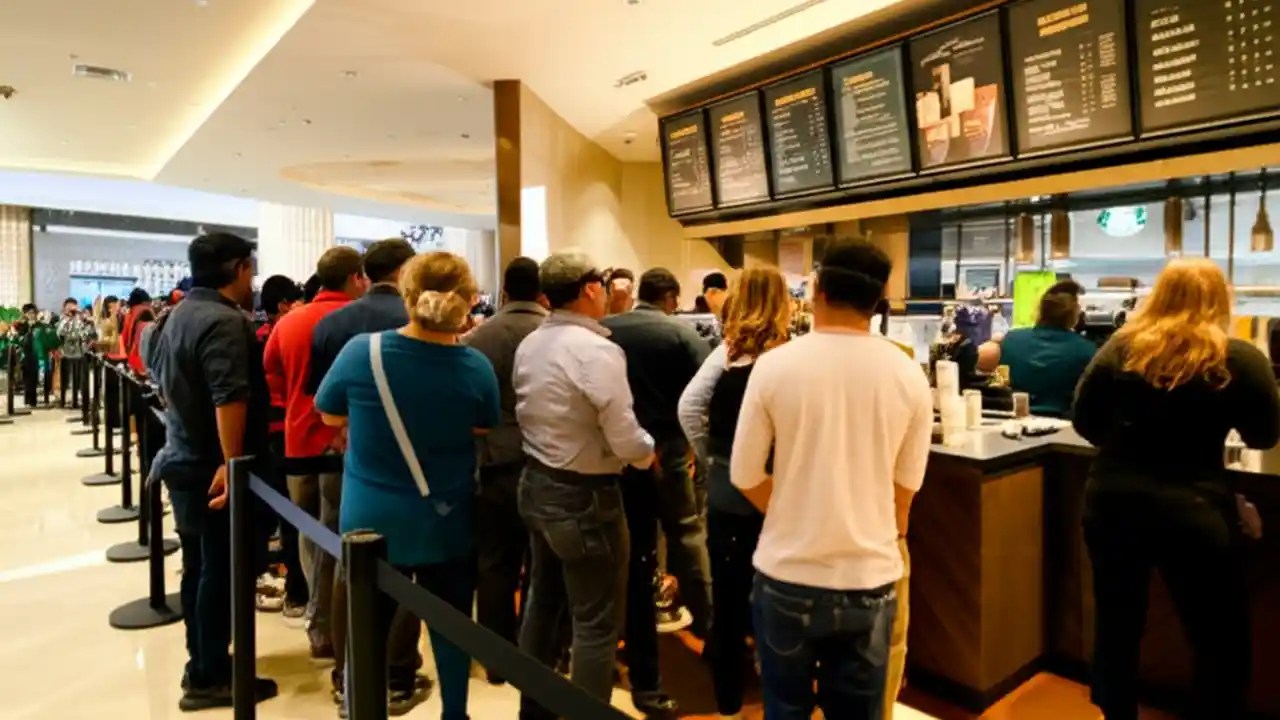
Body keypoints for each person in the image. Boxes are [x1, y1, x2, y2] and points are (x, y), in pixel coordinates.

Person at [731, 240, 932, 720]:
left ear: (816, 289)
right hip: (871, 578)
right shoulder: (908, 374)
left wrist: (792, 511)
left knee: (785, 709)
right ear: (878, 301)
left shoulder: (774, 366)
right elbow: (905, 494)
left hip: (785, 576)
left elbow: (744, 473)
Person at [1072, 258, 1280, 720]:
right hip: (1195, 507)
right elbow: (1264, 436)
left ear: (1159, 297)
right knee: (1217, 634)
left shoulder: (1120, 349)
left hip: (1113, 502)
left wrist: (1130, 442)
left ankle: (1117, 715)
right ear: (1221, 301)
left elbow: (1084, 419)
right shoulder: (1240, 357)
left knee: (1117, 623)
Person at [316, 251, 498, 720]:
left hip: (370, 520)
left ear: (406, 293)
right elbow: (482, 427)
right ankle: (454, 712)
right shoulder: (475, 366)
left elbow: (329, 412)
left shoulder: (363, 352)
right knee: (452, 626)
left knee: (367, 630)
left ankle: (362, 706)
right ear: (468, 299)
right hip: (445, 516)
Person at [514, 250, 656, 720]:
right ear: (591, 289)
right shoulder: (597, 350)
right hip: (585, 499)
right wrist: (647, 451)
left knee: (542, 602)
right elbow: (624, 434)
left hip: (536, 483)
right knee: (595, 622)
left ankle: (533, 710)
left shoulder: (531, 343)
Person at [149, 232, 277, 711]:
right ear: (239, 268)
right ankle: (209, 674)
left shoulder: (176, 314)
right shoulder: (225, 321)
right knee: (220, 572)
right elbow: (229, 396)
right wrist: (230, 462)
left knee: (200, 567)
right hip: (212, 469)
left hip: (181, 457)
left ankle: (202, 662)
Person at [306, 238, 430, 708]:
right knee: (405, 565)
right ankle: (397, 673)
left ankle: (348, 673)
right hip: (411, 464)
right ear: (404, 272)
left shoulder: (332, 323)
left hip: (349, 462)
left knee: (348, 565)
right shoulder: (415, 323)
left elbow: (321, 402)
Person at [677, 267, 791, 719]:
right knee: (774, 593)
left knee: (727, 592)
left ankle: (726, 698)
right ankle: (773, 690)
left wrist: (710, 458)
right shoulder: (787, 357)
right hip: (775, 494)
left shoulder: (727, 353)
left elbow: (689, 407)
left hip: (727, 492)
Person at [602, 266, 712, 716]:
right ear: (670, 299)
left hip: (616, 455)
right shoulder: (680, 335)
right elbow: (706, 393)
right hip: (669, 451)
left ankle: (616, 637)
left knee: (627, 549)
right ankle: (710, 626)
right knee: (687, 535)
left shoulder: (604, 330)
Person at [263, 246, 365, 663]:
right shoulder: (355, 322)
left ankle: (318, 621)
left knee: (308, 533)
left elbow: (271, 375)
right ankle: (330, 628)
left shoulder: (289, 322)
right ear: (356, 277)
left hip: (296, 441)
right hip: (337, 443)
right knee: (336, 533)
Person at [462, 256, 548, 683]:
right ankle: (538, 651)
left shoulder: (478, 338)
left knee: (494, 561)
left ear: (506, 292)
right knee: (542, 561)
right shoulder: (554, 335)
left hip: (493, 462)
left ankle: (496, 656)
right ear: (542, 292)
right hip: (546, 460)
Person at [255, 275, 307, 617]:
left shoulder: (259, 334)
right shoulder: (276, 335)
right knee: (291, 513)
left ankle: (292, 587)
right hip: (284, 429)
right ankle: (296, 590)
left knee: (284, 511)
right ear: (283, 305)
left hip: (271, 430)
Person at [982, 280, 1095, 417]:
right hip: (1063, 427)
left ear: (1040, 310)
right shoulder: (1087, 350)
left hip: (1013, 421)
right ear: (1074, 315)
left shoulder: (1010, 340)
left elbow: (997, 386)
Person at [57, 298, 94, 409]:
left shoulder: (80, 320)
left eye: (74, 308)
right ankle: (63, 400)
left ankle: (82, 400)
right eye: (69, 308)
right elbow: (59, 333)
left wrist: (85, 321)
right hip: (66, 353)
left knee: (81, 378)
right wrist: (67, 319)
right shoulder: (62, 320)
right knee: (65, 379)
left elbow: (87, 334)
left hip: (80, 353)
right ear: (64, 309)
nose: (72, 311)